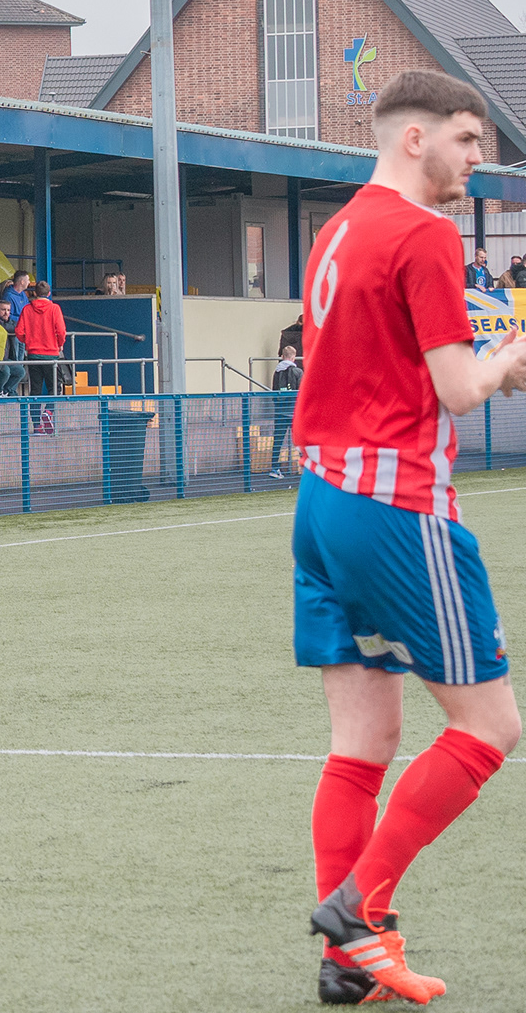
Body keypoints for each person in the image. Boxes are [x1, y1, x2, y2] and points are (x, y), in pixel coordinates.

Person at [293, 70, 526, 1005]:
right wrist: (509, 357)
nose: (481, 159)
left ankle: (345, 961)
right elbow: (459, 389)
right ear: (416, 138)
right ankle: (359, 914)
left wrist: (486, 365)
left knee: (363, 739)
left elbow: (402, 367)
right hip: (398, 506)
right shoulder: (425, 233)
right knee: (490, 728)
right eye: (470, 140)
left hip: (323, 503)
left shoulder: (339, 226)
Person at [14, 279, 66, 431]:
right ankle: (49, 411)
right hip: (51, 355)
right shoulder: (55, 309)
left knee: (35, 390)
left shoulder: (27, 309)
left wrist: (28, 342)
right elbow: (61, 331)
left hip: (33, 355)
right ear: (49, 294)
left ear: (35, 293)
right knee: (55, 388)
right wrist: (59, 343)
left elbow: (19, 332)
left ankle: (37, 425)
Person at [268, 344, 302, 479]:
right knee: (299, 440)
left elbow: (274, 390)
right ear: (293, 358)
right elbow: (302, 391)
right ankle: (306, 469)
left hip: (280, 411)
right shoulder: (298, 372)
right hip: (294, 412)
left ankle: (274, 468)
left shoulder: (277, 372)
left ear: (282, 357)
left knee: (278, 440)